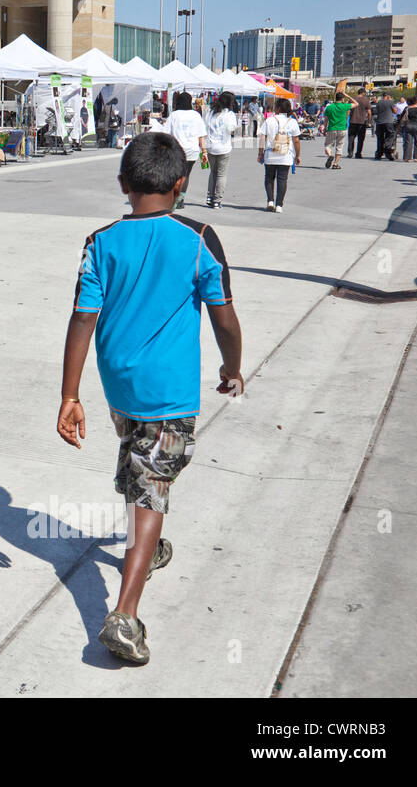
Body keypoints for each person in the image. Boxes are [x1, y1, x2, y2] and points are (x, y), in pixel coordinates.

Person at [58, 131, 244, 664]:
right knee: (151, 493)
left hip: (118, 384)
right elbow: (224, 318)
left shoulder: (100, 241)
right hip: (168, 392)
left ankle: (150, 546)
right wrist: (232, 369)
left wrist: (70, 394)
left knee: (143, 464)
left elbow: (82, 318)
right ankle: (124, 616)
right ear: (182, 184)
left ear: (123, 183)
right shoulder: (198, 236)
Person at [163, 91, 207, 209]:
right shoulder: (196, 115)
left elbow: (166, 134)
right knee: (186, 175)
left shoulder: (174, 115)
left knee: (175, 175)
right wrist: (204, 151)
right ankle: (180, 201)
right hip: (192, 150)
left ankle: (173, 199)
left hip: (176, 150)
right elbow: (201, 135)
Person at [259, 97, 301, 213]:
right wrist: (298, 155)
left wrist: (260, 153)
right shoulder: (292, 122)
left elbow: (263, 137)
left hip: (270, 154)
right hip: (286, 155)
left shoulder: (269, 120)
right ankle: (279, 205)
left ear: (277, 108)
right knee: (282, 180)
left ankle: (270, 201)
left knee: (269, 178)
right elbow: (296, 140)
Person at [204, 91, 238, 207]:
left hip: (210, 146)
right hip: (224, 147)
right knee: (221, 174)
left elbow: (205, 128)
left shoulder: (210, 112)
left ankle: (209, 197)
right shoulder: (230, 115)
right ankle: (217, 200)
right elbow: (231, 129)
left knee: (212, 173)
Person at [322, 86, 356, 169]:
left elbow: (326, 120)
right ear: (342, 99)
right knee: (339, 147)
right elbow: (356, 103)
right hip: (342, 129)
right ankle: (335, 164)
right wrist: (347, 95)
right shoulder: (345, 106)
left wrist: (324, 128)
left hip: (331, 129)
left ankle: (330, 155)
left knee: (327, 145)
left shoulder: (329, 107)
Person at [399, 96, 417, 162]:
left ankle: (407, 158)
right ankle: (415, 158)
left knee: (408, 142)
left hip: (408, 125)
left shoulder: (407, 108)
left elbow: (401, 117)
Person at [373, 91, 397, 160]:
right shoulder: (390, 102)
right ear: (388, 96)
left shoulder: (379, 102)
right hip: (388, 122)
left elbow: (377, 110)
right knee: (391, 135)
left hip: (379, 122)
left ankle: (379, 153)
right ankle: (387, 150)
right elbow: (395, 111)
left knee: (380, 138)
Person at [347, 90, 371, 159]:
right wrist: (369, 122)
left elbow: (348, 110)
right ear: (363, 93)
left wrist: (346, 120)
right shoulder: (366, 100)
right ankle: (358, 153)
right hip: (362, 122)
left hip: (352, 121)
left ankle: (350, 153)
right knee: (361, 139)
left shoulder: (352, 99)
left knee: (351, 137)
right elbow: (369, 112)